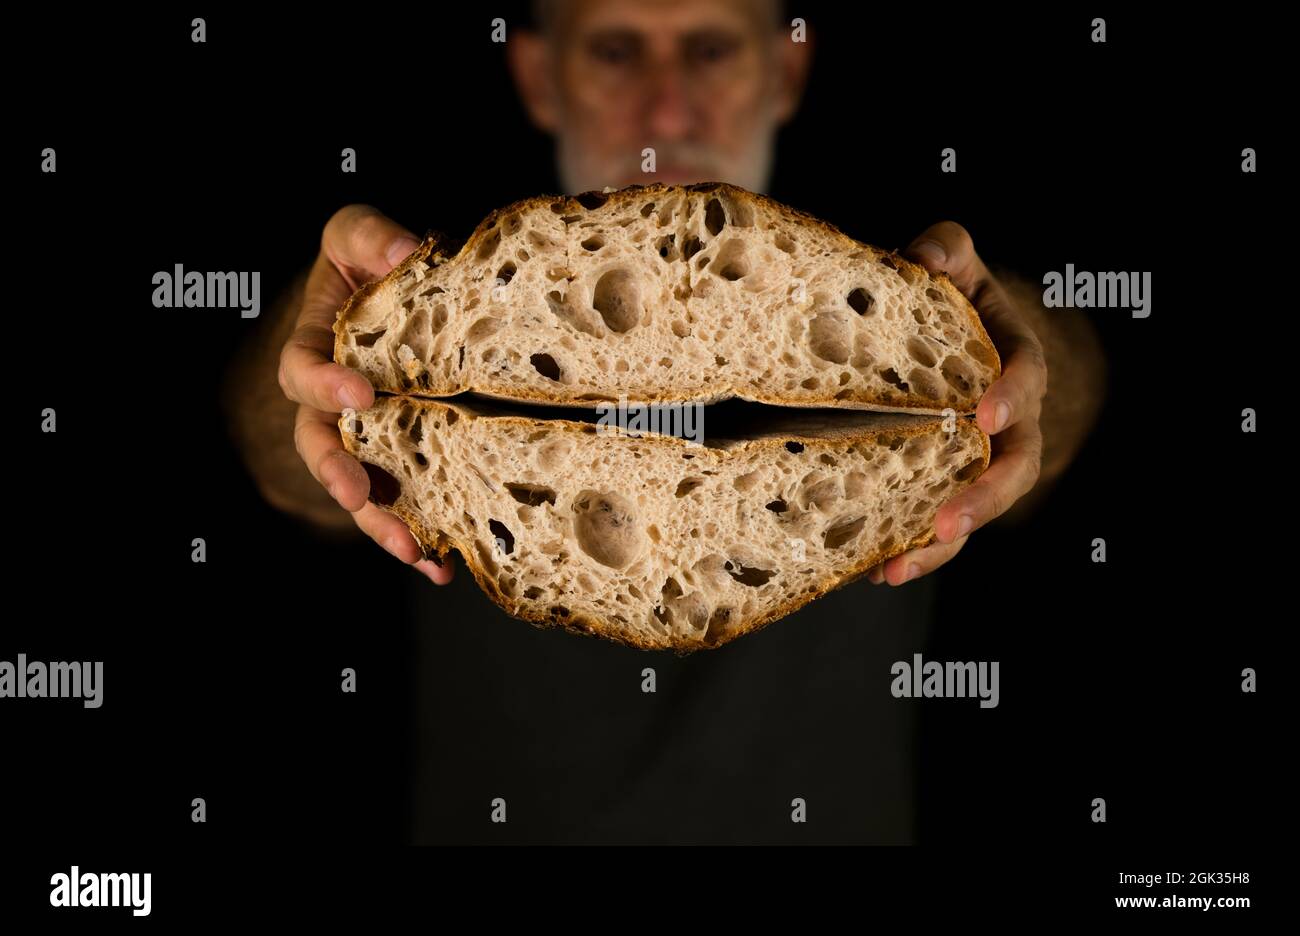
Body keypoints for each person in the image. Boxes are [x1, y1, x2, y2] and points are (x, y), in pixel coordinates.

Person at [223, 0, 1104, 843]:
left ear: (787, 68)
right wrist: (311, 376)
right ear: (537, 75)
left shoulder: (894, 308)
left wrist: (1022, 360)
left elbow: (1042, 413)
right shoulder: (433, 306)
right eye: (614, 50)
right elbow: (272, 448)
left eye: (712, 48)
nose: (667, 103)